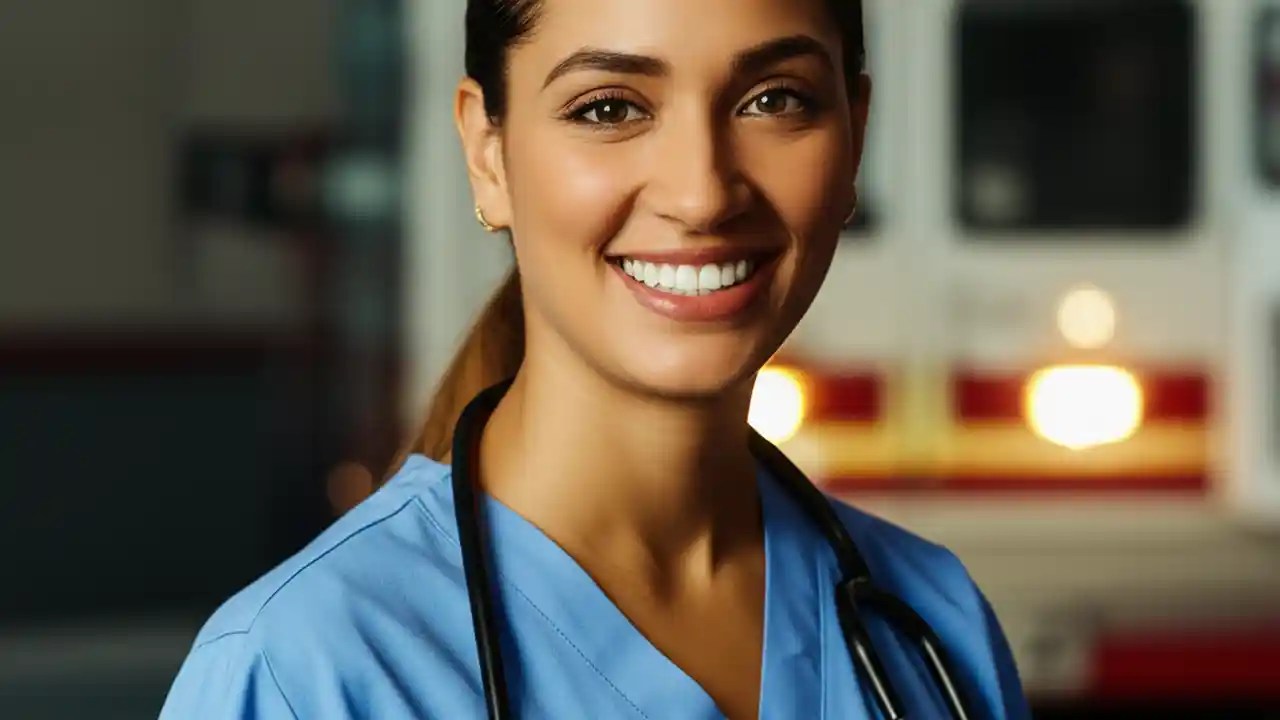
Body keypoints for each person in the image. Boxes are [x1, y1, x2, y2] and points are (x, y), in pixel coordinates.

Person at [159, 0, 1031, 717]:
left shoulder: (930, 622)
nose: (701, 194)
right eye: (608, 108)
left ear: (856, 137)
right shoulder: (305, 671)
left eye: (774, 99)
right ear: (485, 155)